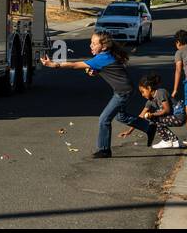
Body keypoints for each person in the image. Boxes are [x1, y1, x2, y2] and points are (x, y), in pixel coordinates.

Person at [41, 30, 153, 158]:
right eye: (91, 43)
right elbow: (104, 68)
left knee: (104, 119)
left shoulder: (102, 58)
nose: (91, 46)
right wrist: (95, 71)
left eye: (94, 43)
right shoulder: (105, 55)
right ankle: (148, 127)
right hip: (124, 89)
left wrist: (53, 65)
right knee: (120, 117)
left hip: (123, 92)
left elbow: (74, 65)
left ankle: (104, 150)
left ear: (103, 46)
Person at [122, 73, 181, 149]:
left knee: (153, 119)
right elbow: (140, 117)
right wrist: (129, 131)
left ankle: (167, 141)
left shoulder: (161, 92)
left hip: (178, 116)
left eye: (143, 92)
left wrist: (152, 114)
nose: (142, 95)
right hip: (172, 117)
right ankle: (172, 140)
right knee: (153, 119)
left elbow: (167, 110)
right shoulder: (150, 101)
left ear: (149, 88)